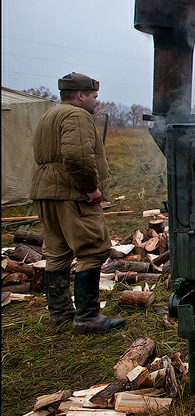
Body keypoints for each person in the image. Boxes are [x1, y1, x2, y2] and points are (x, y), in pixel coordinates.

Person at [30, 72, 125, 334]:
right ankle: (87, 318)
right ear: (80, 95)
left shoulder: (50, 114)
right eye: (94, 96)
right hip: (72, 193)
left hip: (46, 190)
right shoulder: (77, 115)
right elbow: (76, 156)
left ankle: (59, 312)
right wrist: (90, 187)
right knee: (92, 248)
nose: (97, 101)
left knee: (57, 250)